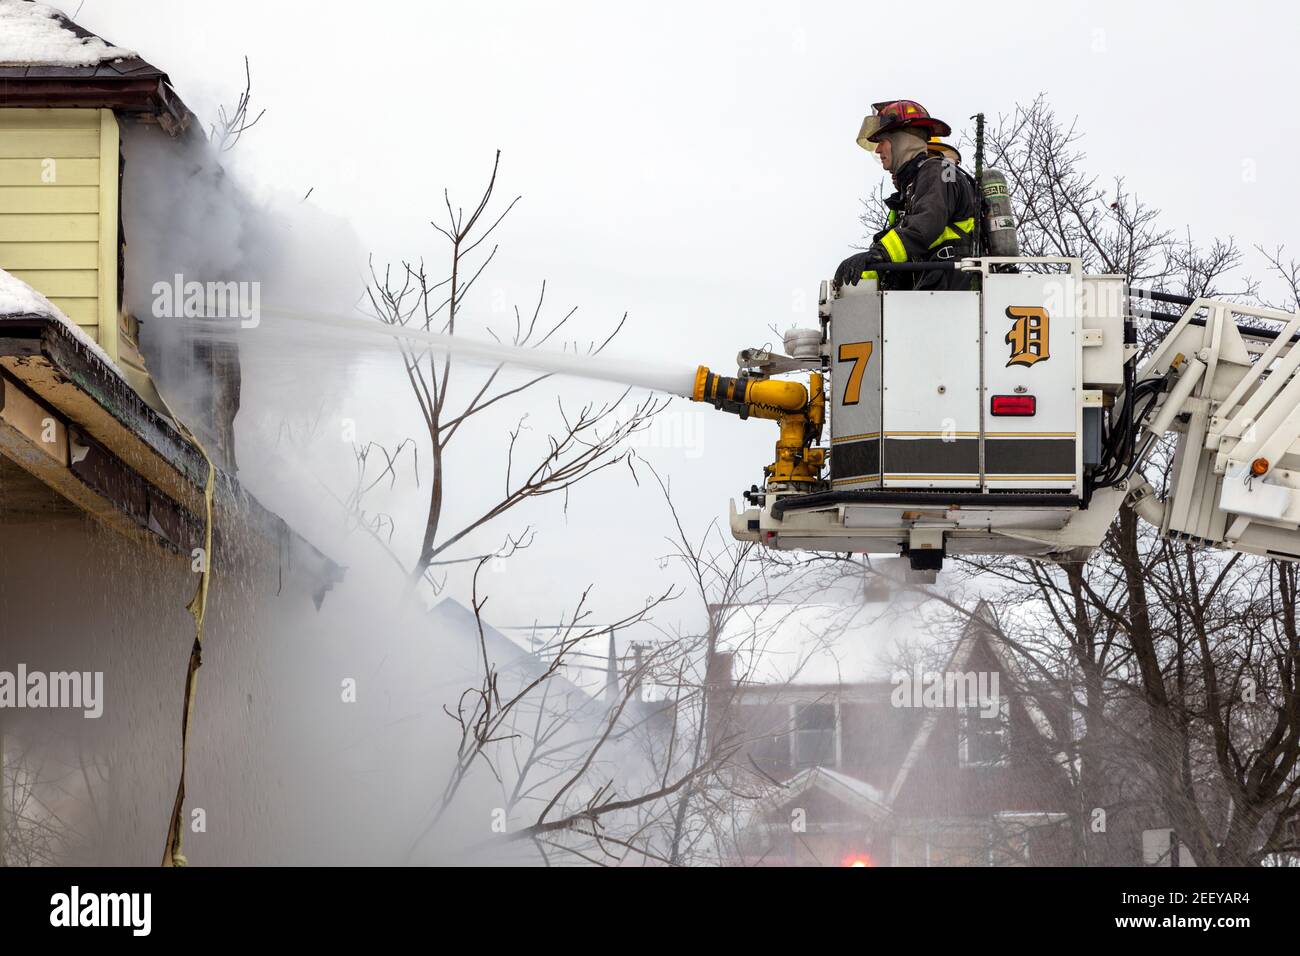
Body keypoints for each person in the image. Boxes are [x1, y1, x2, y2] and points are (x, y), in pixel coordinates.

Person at [833, 100, 980, 292]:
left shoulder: (938, 171)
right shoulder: (915, 185)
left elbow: (927, 223)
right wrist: (864, 270)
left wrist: (879, 254)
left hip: (951, 295)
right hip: (938, 292)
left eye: (882, 142)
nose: (877, 150)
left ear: (901, 141)